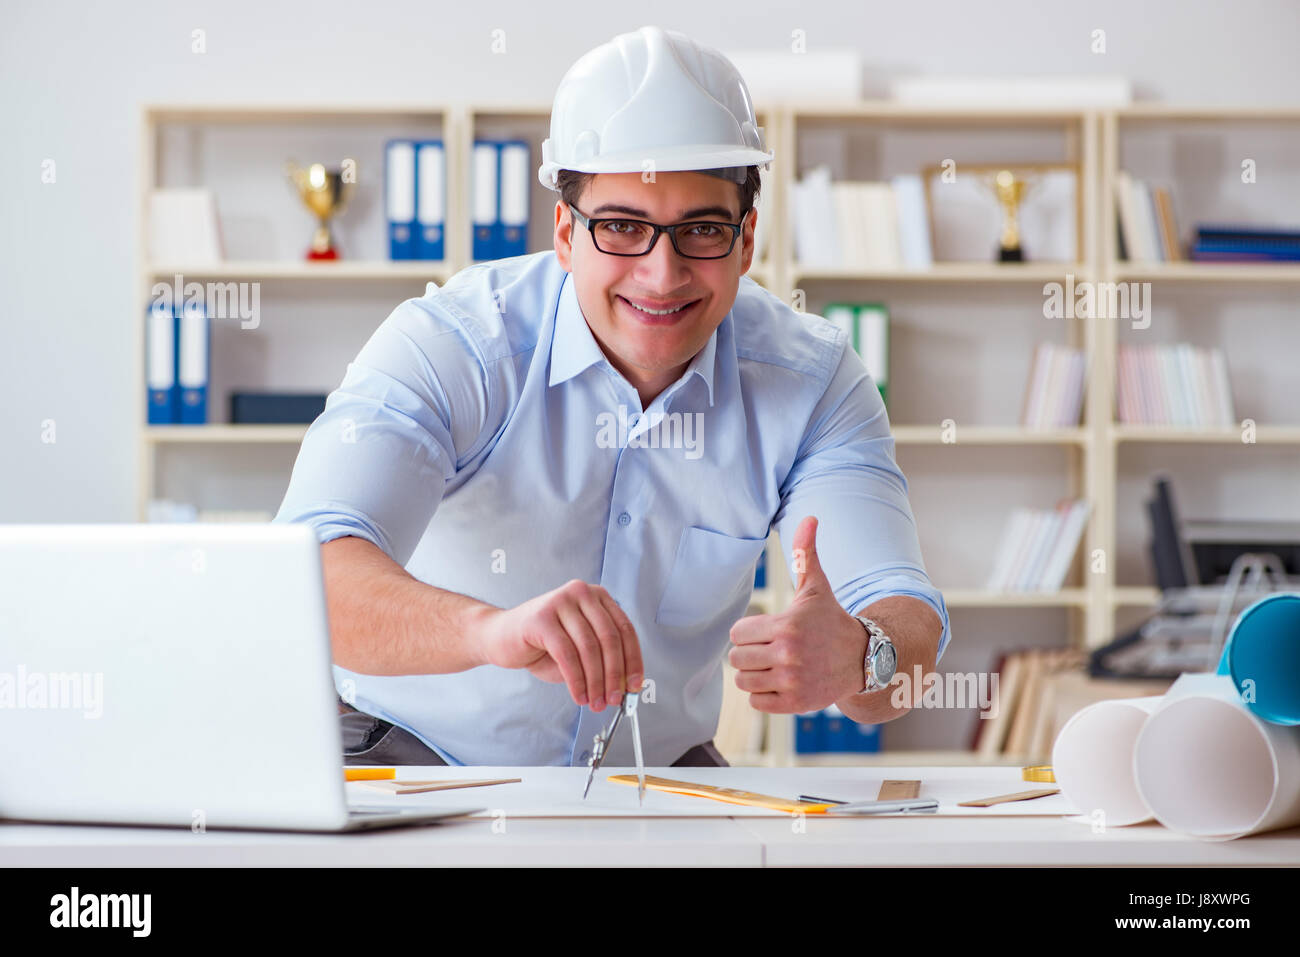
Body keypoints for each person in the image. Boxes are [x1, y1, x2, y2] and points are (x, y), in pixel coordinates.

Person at [274, 25, 950, 769]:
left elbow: (905, 615)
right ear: (566, 233)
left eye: (701, 229)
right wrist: (486, 632)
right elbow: (303, 575)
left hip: (658, 772)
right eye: (623, 226)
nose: (662, 275)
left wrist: (863, 656)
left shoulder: (813, 381)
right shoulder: (456, 344)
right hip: (412, 751)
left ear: (747, 238)